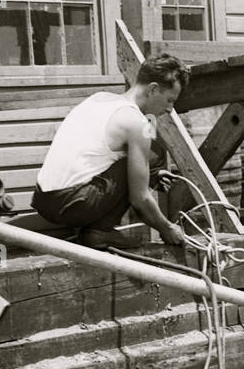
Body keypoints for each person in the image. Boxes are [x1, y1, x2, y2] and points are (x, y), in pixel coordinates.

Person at [32, 55, 189, 248]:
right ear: (153, 89)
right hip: (71, 205)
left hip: (43, 199)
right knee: (151, 152)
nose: (170, 109)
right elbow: (139, 199)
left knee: (146, 159)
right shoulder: (136, 123)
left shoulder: (99, 98)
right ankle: (100, 232)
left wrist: (153, 174)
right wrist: (167, 228)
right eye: (169, 100)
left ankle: (96, 230)